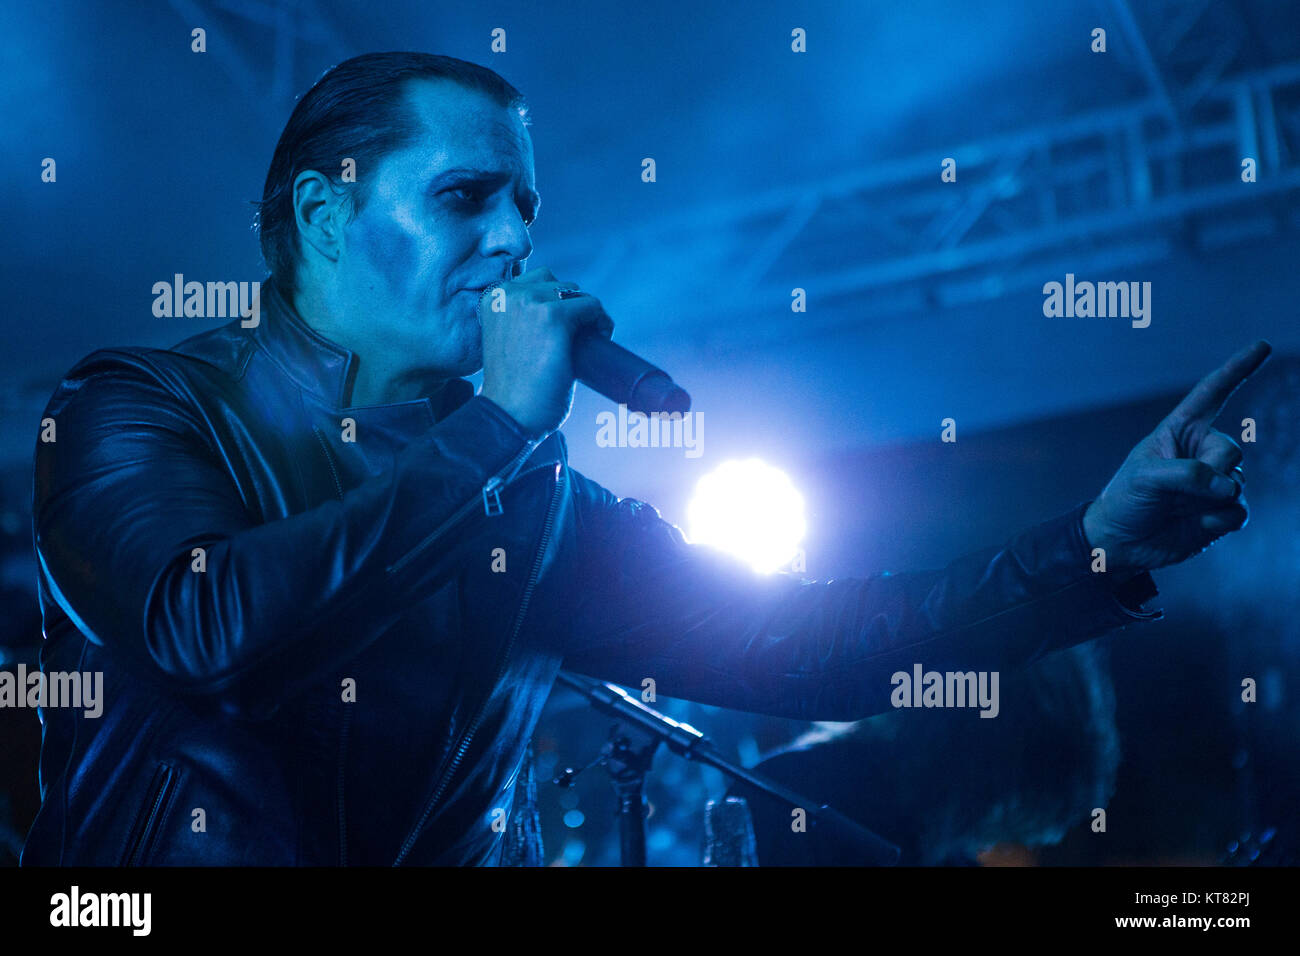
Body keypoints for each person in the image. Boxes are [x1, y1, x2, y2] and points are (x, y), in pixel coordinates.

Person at [21, 52, 1268, 866]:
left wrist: (1092, 544)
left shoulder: (533, 500)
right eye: (465, 196)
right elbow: (211, 627)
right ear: (325, 215)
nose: (514, 236)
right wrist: (505, 422)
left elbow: (817, 642)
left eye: (526, 206)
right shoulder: (132, 406)